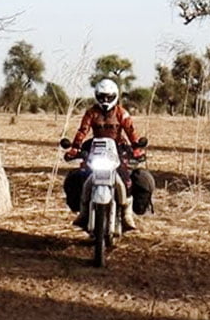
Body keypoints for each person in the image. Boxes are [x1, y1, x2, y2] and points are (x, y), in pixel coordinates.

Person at [63, 79, 154, 229]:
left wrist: (136, 147)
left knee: (125, 178)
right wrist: (75, 148)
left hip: (117, 149)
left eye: (109, 97)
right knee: (84, 175)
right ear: (96, 96)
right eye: (102, 96)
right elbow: (82, 130)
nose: (105, 100)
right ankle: (83, 211)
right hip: (95, 148)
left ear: (115, 96)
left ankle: (127, 213)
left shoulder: (121, 113)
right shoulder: (91, 113)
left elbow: (131, 131)